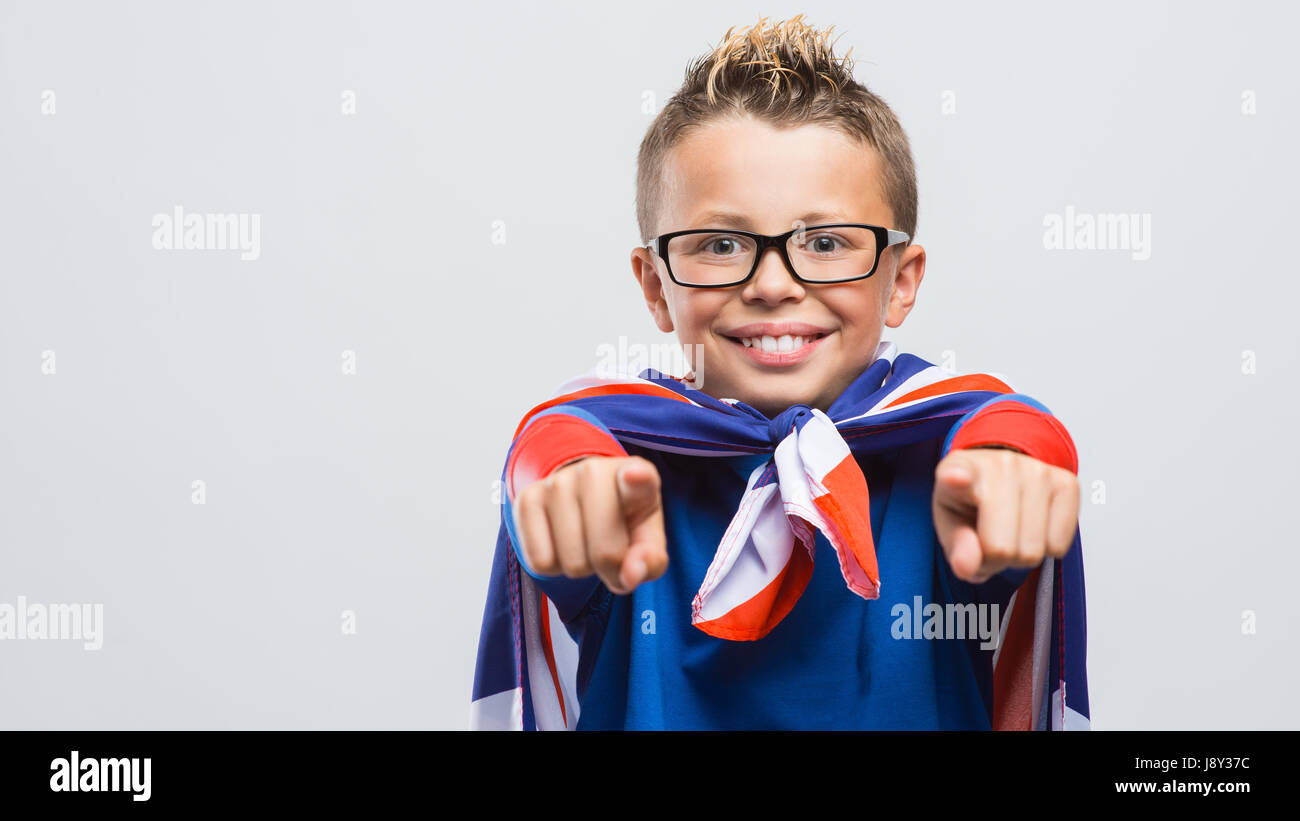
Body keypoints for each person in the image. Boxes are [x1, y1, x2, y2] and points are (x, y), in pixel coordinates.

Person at [471, 14, 1088, 730]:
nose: (772, 283)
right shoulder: (616, 478)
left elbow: (1008, 429)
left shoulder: (954, 468)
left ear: (902, 280)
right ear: (653, 284)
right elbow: (557, 445)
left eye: (825, 241)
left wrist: (1021, 454)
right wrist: (551, 474)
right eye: (721, 244)